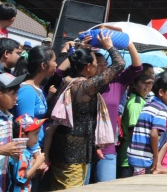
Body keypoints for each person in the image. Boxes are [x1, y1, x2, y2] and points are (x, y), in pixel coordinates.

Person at [43, 33, 125, 190]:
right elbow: (119, 64)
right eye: (95, 63)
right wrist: (109, 47)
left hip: (70, 150)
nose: (98, 67)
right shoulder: (84, 87)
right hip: (72, 154)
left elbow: (60, 71)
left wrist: (79, 49)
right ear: (88, 67)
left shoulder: (67, 82)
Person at [91, 32, 143, 183]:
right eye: (97, 65)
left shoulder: (116, 83)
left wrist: (128, 42)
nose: (101, 68)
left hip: (107, 149)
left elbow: (137, 68)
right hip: (85, 148)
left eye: (104, 65)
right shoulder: (84, 85)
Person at [127, 72, 167, 175]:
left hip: (134, 154)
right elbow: (154, 134)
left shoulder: (151, 103)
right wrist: (156, 159)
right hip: (142, 158)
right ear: (161, 92)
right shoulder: (161, 109)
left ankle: (157, 165)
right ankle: (157, 165)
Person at [12, 45, 57, 154]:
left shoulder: (37, 88)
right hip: (29, 151)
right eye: (54, 61)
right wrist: (36, 154)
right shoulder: (27, 91)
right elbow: (26, 126)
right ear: (43, 65)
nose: (56, 64)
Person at [117, 69, 155, 178]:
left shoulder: (141, 101)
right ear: (134, 84)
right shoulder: (136, 104)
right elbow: (134, 132)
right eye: (144, 83)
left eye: (151, 83)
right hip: (132, 159)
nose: (148, 86)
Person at [9, 114, 47, 192]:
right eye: (35, 134)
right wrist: (37, 162)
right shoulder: (19, 153)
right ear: (23, 136)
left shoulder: (24, 151)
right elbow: (21, 179)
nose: (38, 137)